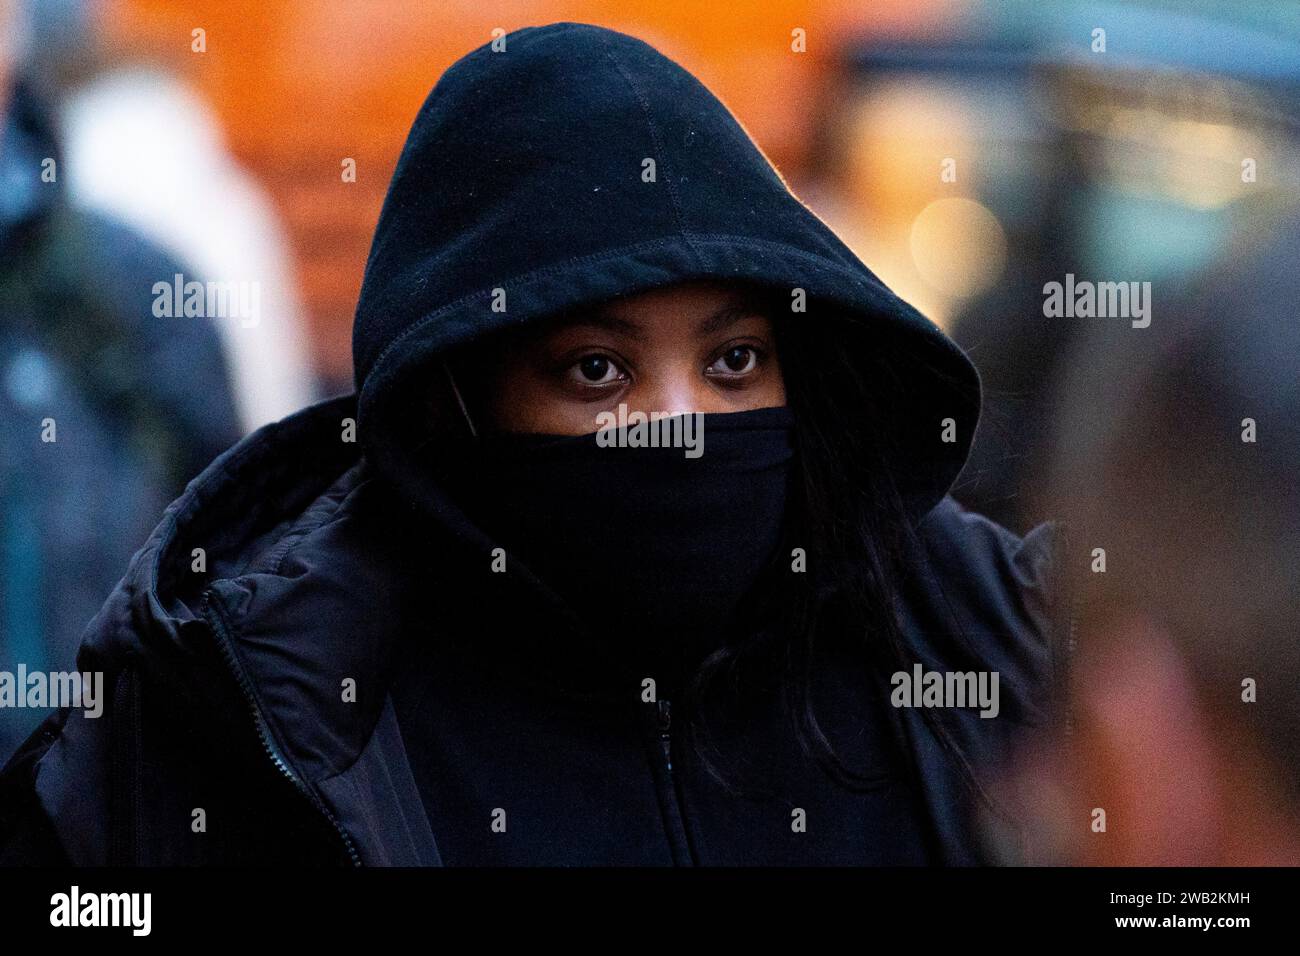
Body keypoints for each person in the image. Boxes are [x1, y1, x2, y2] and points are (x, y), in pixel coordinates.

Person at [0, 22, 1059, 866]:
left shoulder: (959, 623)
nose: (680, 423)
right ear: (458, 402)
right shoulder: (252, 711)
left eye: (734, 360)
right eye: (598, 370)